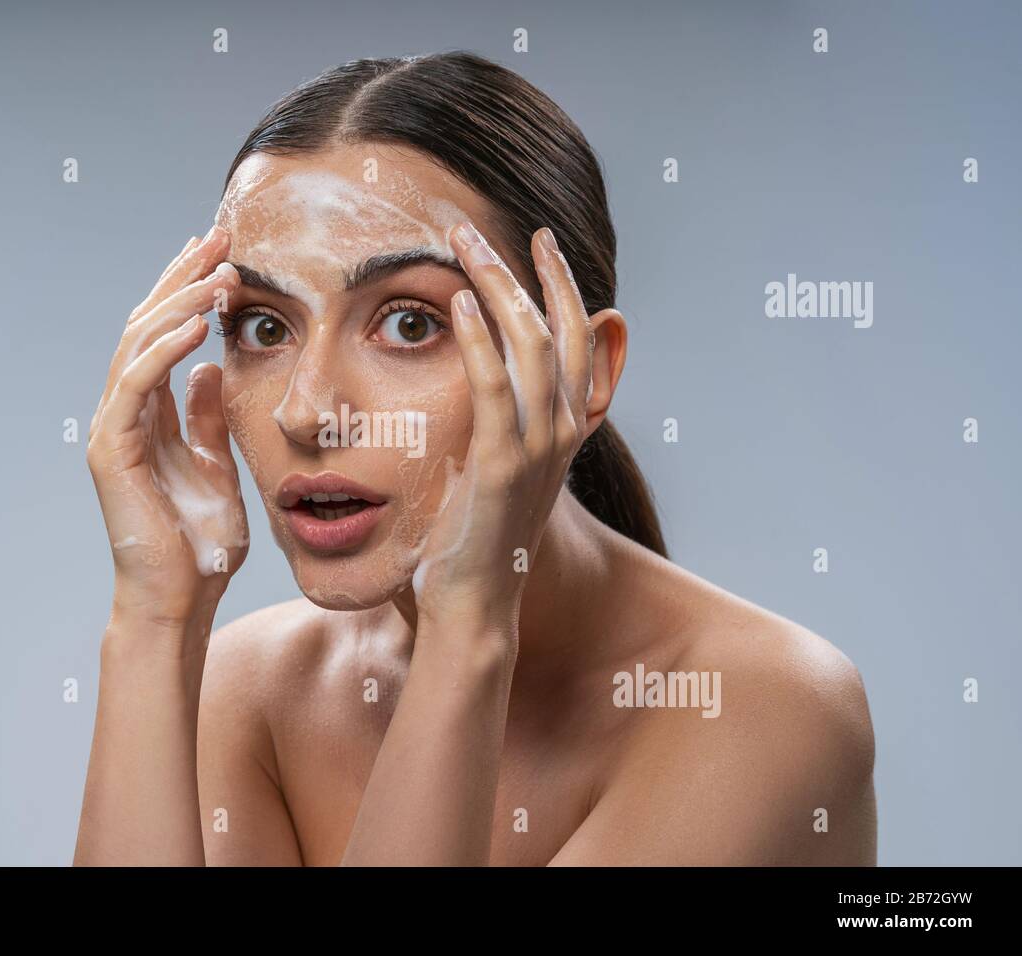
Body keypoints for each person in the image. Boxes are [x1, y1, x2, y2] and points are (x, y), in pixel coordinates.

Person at [73, 52, 877, 866]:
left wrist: (467, 628)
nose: (306, 411)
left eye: (410, 324)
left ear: (585, 371)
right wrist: (156, 619)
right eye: (264, 327)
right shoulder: (252, 687)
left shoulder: (763, 705)